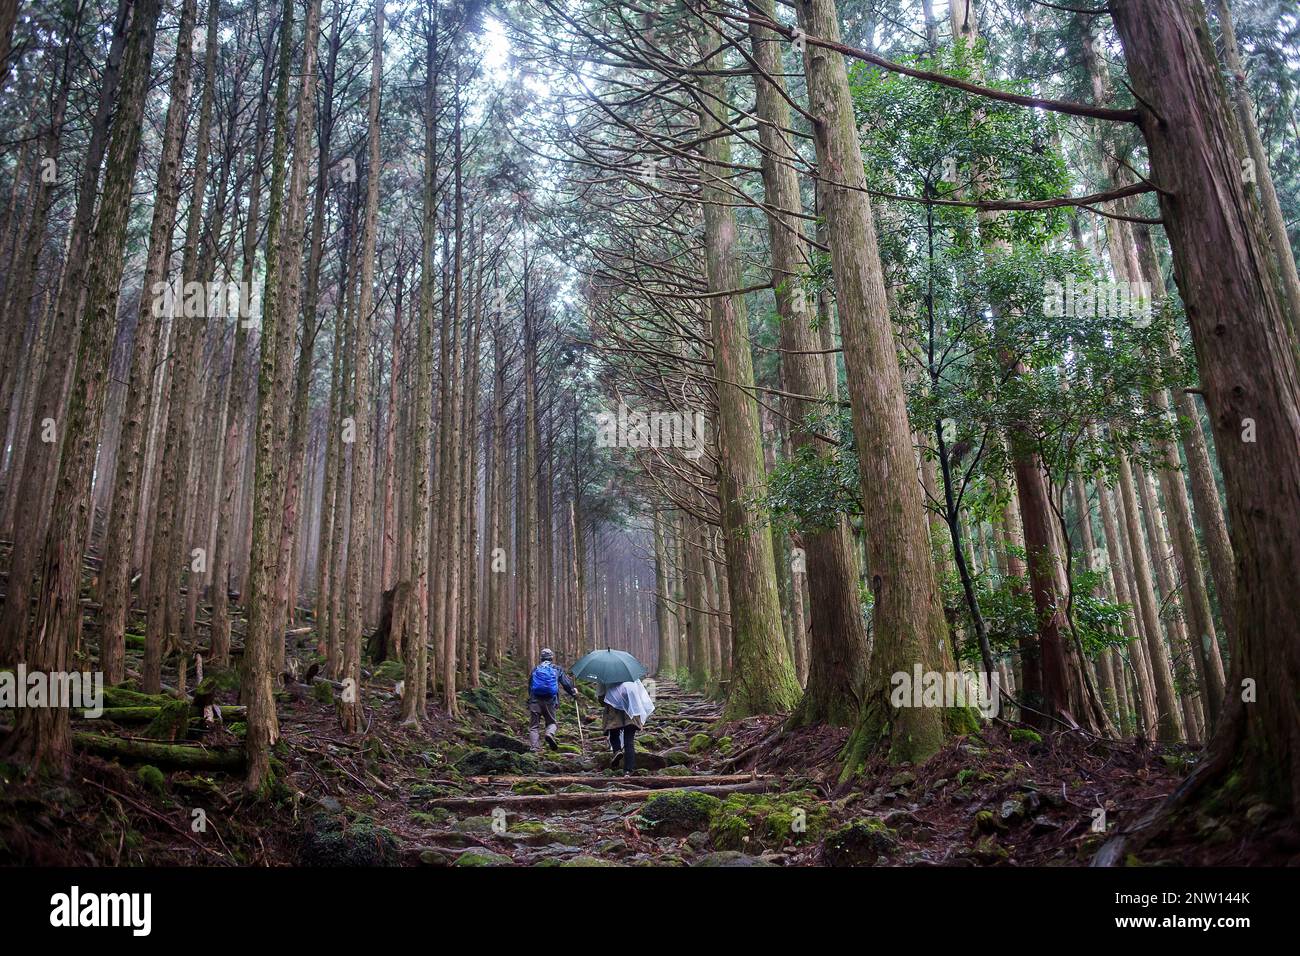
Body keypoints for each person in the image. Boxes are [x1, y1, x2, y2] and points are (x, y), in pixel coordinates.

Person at [598, 678, 654, 773]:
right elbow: (640, 695)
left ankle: (617, 750)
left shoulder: (604, 676)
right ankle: (629, 769)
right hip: (632, 711)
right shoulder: (632, 676)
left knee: (614, 734)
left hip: (613, 712)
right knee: (629, 741)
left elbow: (601, 698)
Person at [527, 648, 575, 752]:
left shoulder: (536, 669)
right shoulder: (557, 669)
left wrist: (530, 700)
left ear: (541, 658)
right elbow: (566, 684)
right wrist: (573, 692)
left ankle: (534, 747)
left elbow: (530, 686)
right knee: (552, 723)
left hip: (535, 701)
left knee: (534, 726)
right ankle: (549, 734)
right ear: (551, 658)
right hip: (550, 701)